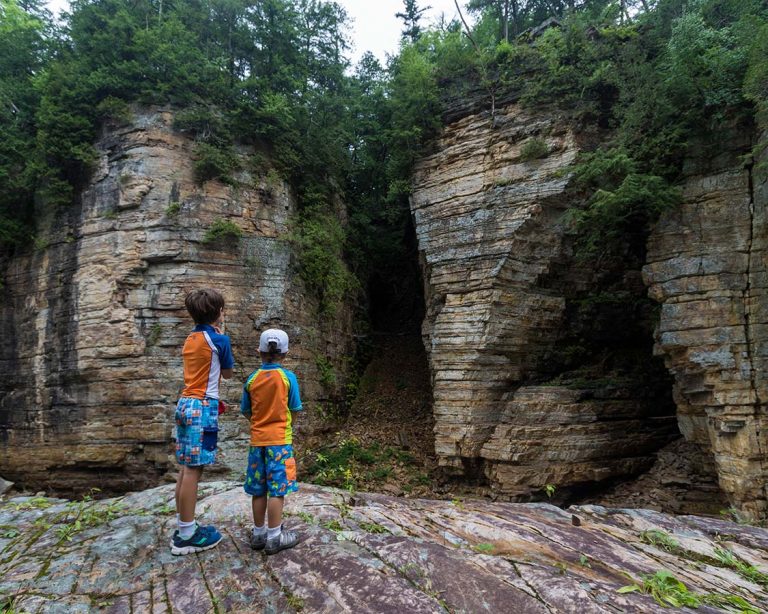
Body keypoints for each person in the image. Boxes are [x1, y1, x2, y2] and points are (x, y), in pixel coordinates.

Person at [171, 288, 235, 555]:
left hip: (186, 402)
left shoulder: (191, 337)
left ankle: (183, 525)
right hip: (201, 408)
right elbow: (228, 374)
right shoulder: (219, 340)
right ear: (219, 312)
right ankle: (187, 535)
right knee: (194, 471)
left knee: (186, 468)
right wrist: (223, 340)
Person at [241, 328, 303, 555]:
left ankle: (259, 534)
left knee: (258, 489)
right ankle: (275, 536)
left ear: (259, 351)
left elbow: (246, 411)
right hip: (280, 441)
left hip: (257, 441)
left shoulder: (252, 379)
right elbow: (294, 408)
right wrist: (286, 425)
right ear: (285, 354)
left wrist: (259, 423)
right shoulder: (289, 378)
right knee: (277, 490)